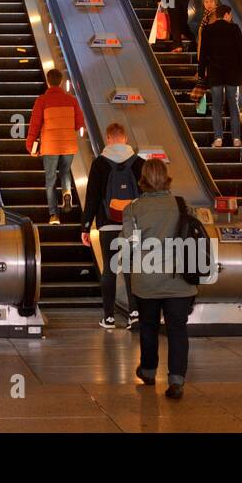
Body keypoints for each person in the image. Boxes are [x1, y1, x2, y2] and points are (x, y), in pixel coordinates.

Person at [124, 158, 198, 399]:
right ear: (166, 178)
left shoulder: (133, 208)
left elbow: (130, 245)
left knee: (149, 326)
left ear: (143, 180)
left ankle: (148, 370)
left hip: (147, 279)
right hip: (180, 278)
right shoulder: (181, 204)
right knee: (177, 329)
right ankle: (176, 380)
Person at [83, 122, 145, 329]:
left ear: (108, 139)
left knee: (109, 269)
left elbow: (91, 198)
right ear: (125, 138)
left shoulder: (99, 163)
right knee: (131, 268)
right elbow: (146, 197)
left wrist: (85, 227)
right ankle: (134, 313)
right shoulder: (139, 163)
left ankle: (108, 317)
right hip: (132, 225)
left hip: (107, 225)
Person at [25, 68, 85, 226]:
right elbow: (79, 123)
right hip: (68, 144)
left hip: (50, 145)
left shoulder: (41, 100)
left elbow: (35, 125)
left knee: (50, 179)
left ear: (48, 81)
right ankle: (66, 192)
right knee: (65, 172)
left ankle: (54, 215)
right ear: (60, 81)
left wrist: (30, 144)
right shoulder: (72, 100)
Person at [198, 4, 242, 148]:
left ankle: (218, 138)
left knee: (217, 107)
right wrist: (240, 68)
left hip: (215, 74)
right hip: (233, 74)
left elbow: (203, 54)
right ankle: (236, 139)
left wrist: (201, 73)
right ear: (226, 14)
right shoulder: (234, 29)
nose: (231, 17)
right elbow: (241, 52)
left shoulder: (208, 30)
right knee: (233, 105)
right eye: (230, 15)